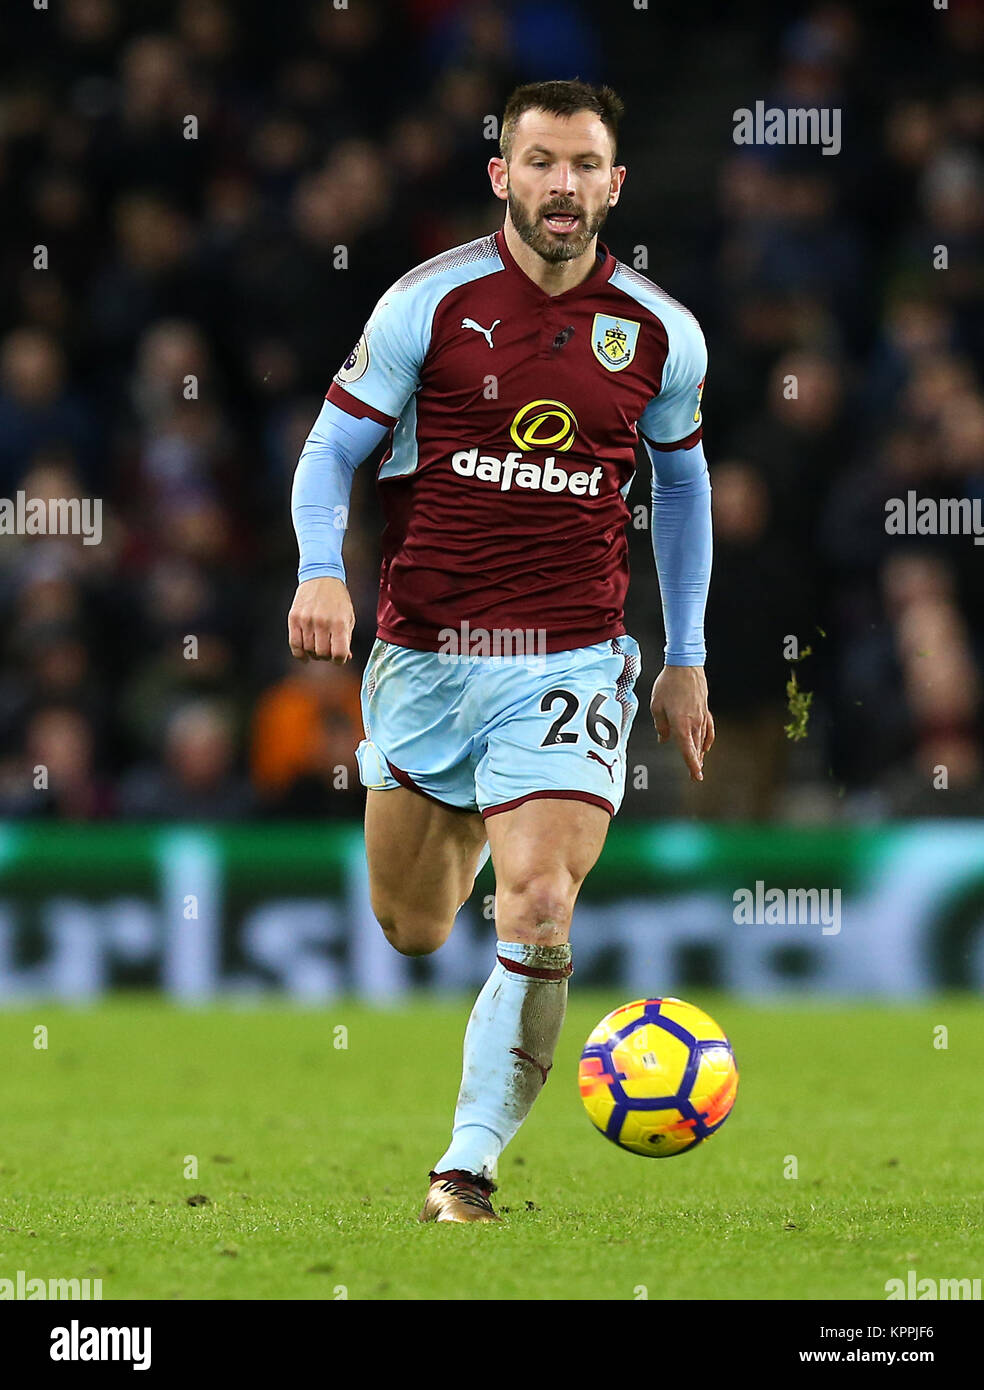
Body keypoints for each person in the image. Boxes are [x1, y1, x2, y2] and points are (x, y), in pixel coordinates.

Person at [288, 79, 714, 1222]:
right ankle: (492, 815)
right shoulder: (428, 303)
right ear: (502, 175)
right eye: (540, 163)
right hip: (426, 655)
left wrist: (688, 653)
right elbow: (330, 452)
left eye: (583, 166)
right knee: (416, 927)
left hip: (572, 657)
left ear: (615, 183)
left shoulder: (663, 332)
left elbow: (681, 484)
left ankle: (465, 1167)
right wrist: (318, 567)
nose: (561, 186)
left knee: (537, 904)